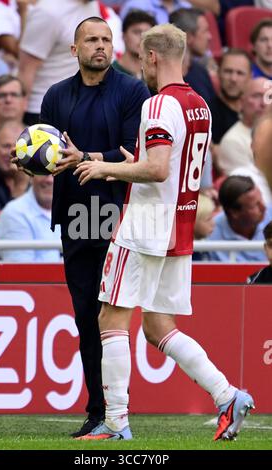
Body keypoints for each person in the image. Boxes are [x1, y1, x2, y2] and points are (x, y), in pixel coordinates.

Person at [74, 23, 254, 441]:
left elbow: (156, 169)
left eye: (140, 59)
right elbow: (166, 164)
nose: (140, 67)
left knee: (111, 317)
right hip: (181, 225)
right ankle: (227, 395)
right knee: (157, 326)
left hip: (146, 224)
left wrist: (107, 168)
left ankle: (116, 422)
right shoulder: (201, 105)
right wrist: (129, 160)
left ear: (152, 57)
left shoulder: (157, 105)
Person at [38, 17, 150, 437]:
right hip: (74, 217)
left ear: (114, 46)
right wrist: (33, 163)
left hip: (118, 217)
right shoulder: (55, 95)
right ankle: (97, 411)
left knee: (113, 318)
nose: (100, 46)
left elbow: (131, 153)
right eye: (91, 40)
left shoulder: (132, 91)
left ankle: (116, 412)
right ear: (74, 49)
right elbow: (46, 150)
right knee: (86, 317)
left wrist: (84, 156)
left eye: (106, 39)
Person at [0, 174, 61, 262]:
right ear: (31, 175)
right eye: (44, 172)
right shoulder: (14, 213)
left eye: (57, 173)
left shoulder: (74, 209)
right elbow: (21, 272)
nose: (50, 180)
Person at [206, 175, 272, 262]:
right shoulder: (209, 234)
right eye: (254, 205)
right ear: (234, 213)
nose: (263, 207)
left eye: (261, 200)